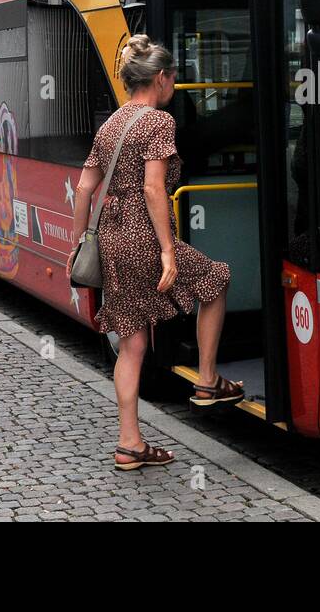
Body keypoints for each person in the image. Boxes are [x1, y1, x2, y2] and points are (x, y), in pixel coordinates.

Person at [69, 36, 240, 471]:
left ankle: (130, 444)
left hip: (111, 238)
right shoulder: (158, 123)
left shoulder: (111, 125)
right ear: (161, 79)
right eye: (174, 77)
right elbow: (151, 188)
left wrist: (79, 244)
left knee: (132, 342)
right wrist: (167, 249)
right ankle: (206, 380)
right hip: (144, 237)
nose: (175, 85)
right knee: (216, 279)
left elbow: (85, 187)